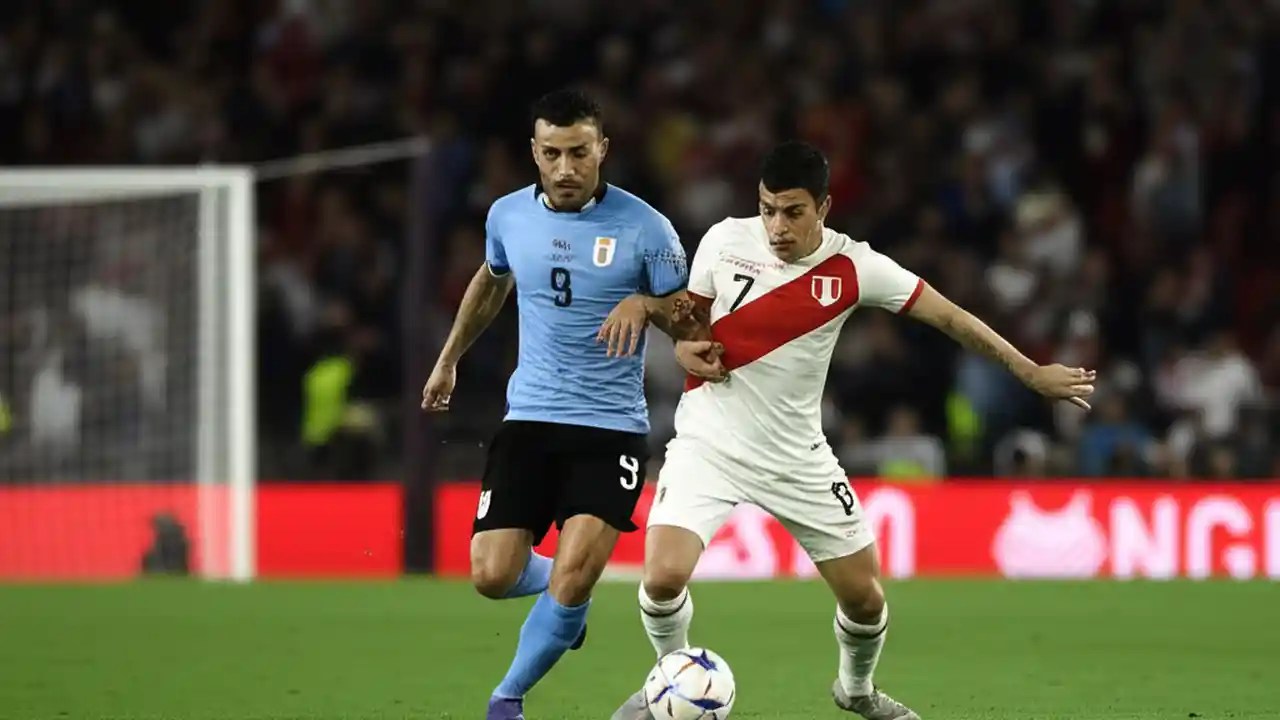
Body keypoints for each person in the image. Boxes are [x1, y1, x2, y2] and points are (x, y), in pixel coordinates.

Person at [612, 141, 1096, 720]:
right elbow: (690, 322)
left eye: (793, 212)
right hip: (709, 441)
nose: (777, 226)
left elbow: (951, 317)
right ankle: (671, 681)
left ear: (824, 207)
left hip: (797, 455)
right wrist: (684, 345)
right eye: (767, 209)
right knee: (662, 577)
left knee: (866, 600)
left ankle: (856, 691)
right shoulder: (722, 239)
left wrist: (1029, 371)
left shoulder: (857, 268)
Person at [421, 88, 701, 720]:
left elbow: (691, 322)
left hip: (610, 429)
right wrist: (449, 358)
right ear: (535, 154)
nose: (567, 168)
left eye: (580, 152)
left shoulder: (647, 229)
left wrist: (648, 306)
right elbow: (492, 283)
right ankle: (565, 603)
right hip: (529, 420)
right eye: (553, 153)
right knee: (491, 575)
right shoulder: (506, 217)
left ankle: (506, 699)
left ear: (602, 149)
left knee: (575, 574)